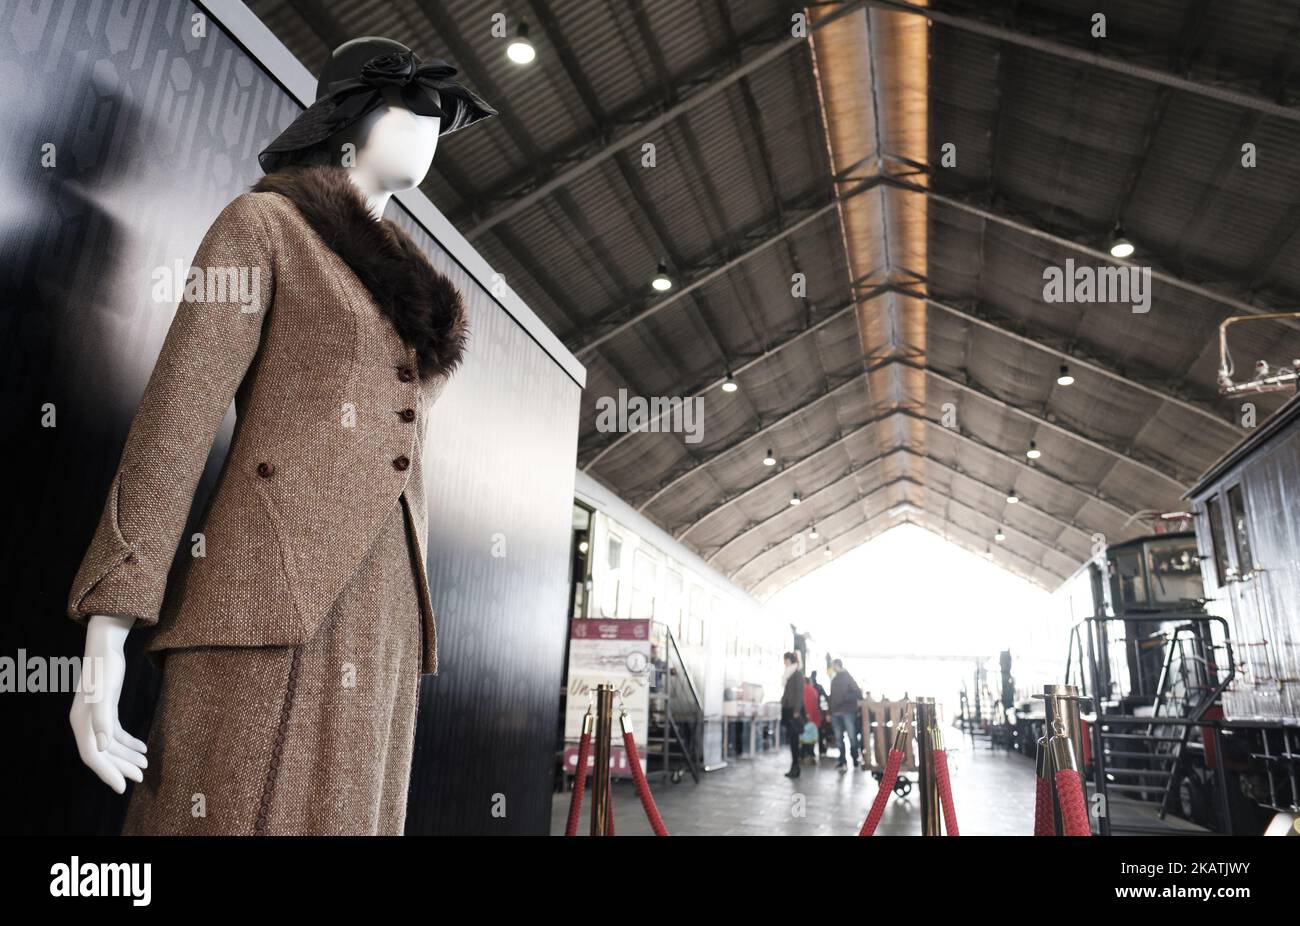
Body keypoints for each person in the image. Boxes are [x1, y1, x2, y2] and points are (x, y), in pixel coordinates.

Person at [829, 659, 864, 772]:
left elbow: (857, 692)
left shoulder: (848, 677)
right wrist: (830, 711)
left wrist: (844, 699)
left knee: (852, 736)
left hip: (847, 712)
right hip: (836, 713)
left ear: (836, 665)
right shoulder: (834, 678)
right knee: (839, 738)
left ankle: (854, 758)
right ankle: (842, 760)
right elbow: (832, 697)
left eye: (833, 665)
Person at [780, 651, 806, 778]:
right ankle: (794, 766)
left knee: (794, 740)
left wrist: (796, 710)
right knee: (792, 740)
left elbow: (799, 694)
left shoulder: (797, 674)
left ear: (789, 660)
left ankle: (795, 767)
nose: (784, 662)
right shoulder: (790, 673)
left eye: (785, 660)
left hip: (793, 712)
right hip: (788, 710)